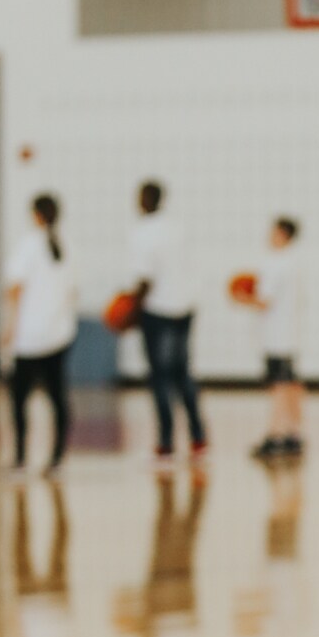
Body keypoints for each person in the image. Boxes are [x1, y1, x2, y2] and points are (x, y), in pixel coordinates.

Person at [129, 180, 207, 466]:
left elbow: (145, 279)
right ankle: (198, 439)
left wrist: (130, 309)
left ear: (144, 200)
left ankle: (165, 445)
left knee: (160, 378)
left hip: (159, 311)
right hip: (185, 307)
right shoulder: (178, 228)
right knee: (183, 374)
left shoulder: (143, 232)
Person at [2, 194, 78, 477]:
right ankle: (57, 458)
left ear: (35, 215)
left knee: (19, 399)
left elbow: (15, 289)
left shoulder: (27, 245)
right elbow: (73, 290)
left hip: (30, 337)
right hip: (59, 333)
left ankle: (20, 459)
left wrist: (10, 326)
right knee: (58, 396)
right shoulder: (67, 245)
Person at [233, 217, 304, 461]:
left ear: (282, 234)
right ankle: (294, 434)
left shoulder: (276, 264)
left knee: (278, 386)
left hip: (276, 337)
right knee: (291, 384)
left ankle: (275, 435)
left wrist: (242, 298)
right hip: (289, 334)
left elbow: (265, 301)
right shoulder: (293, 263)